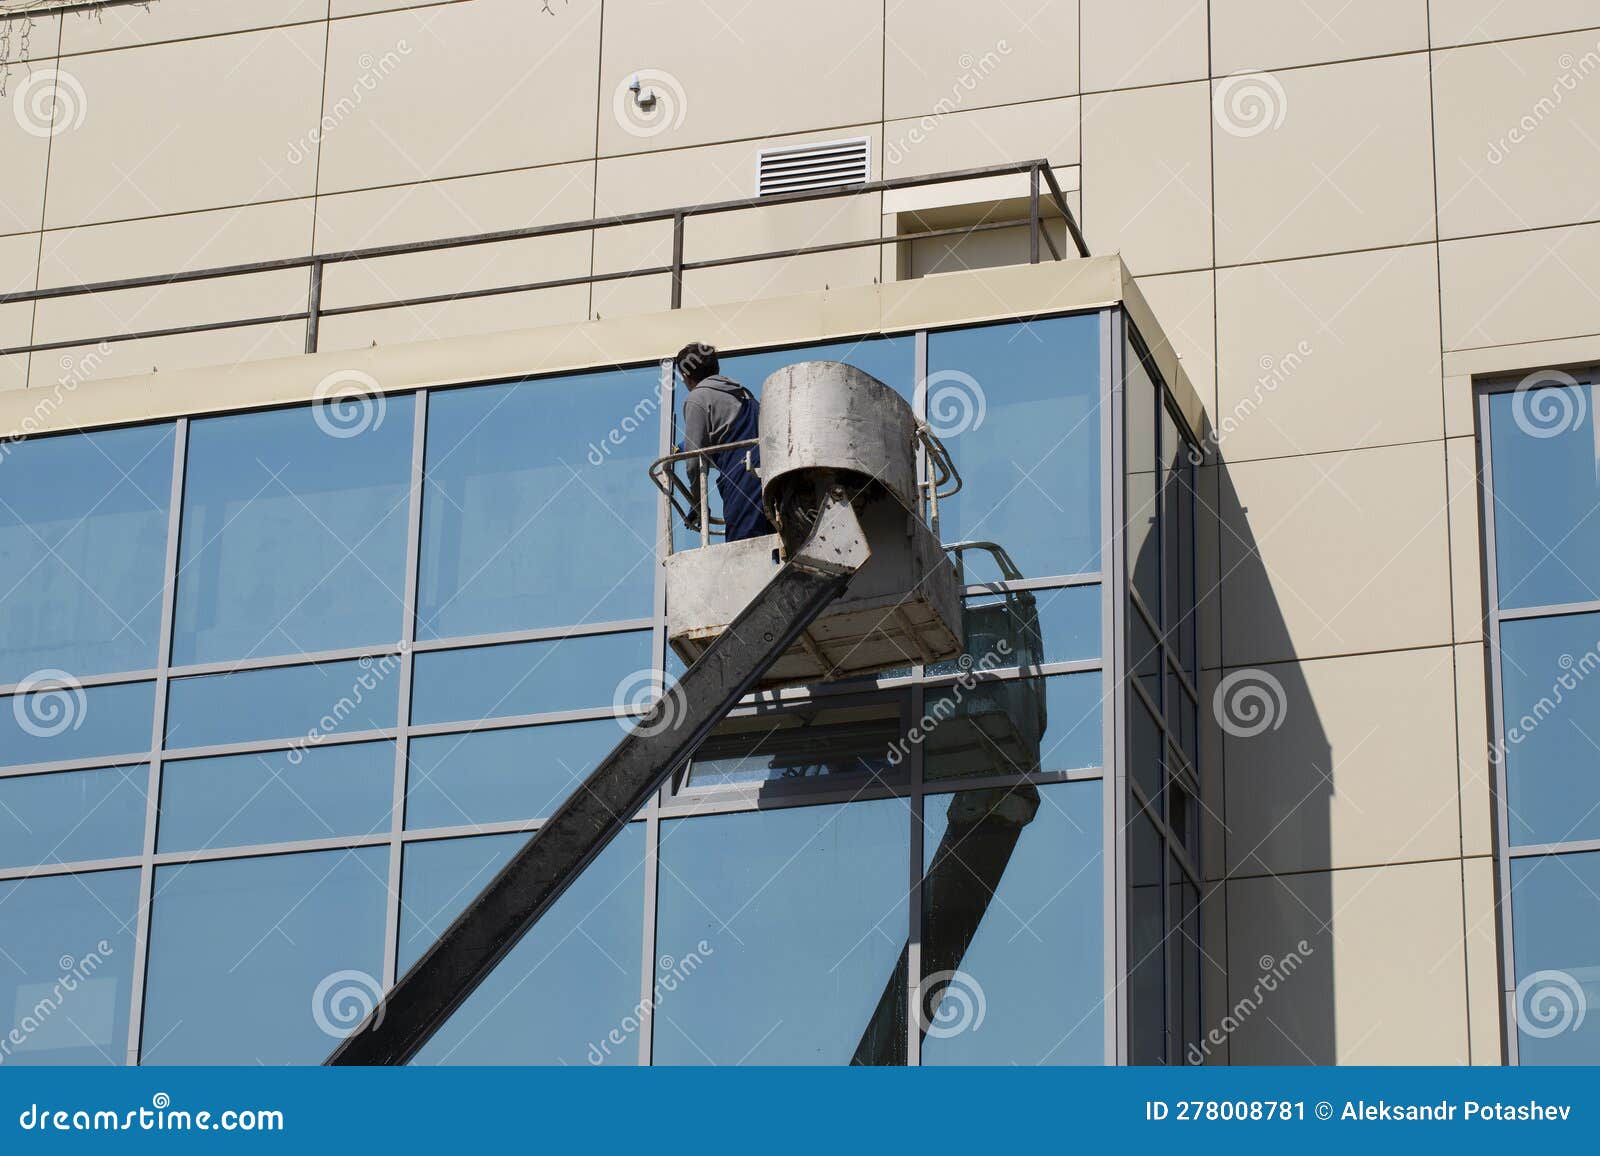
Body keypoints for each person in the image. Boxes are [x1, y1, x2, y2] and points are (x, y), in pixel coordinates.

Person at [675, 342, 775, 543]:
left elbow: (693, 463)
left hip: (742, 480)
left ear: (685, 376)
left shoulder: (697, 398)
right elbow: (733, 435)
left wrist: (698, 504)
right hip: (771, 475)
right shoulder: (743, 394)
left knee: (744, 547)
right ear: (716, 368)